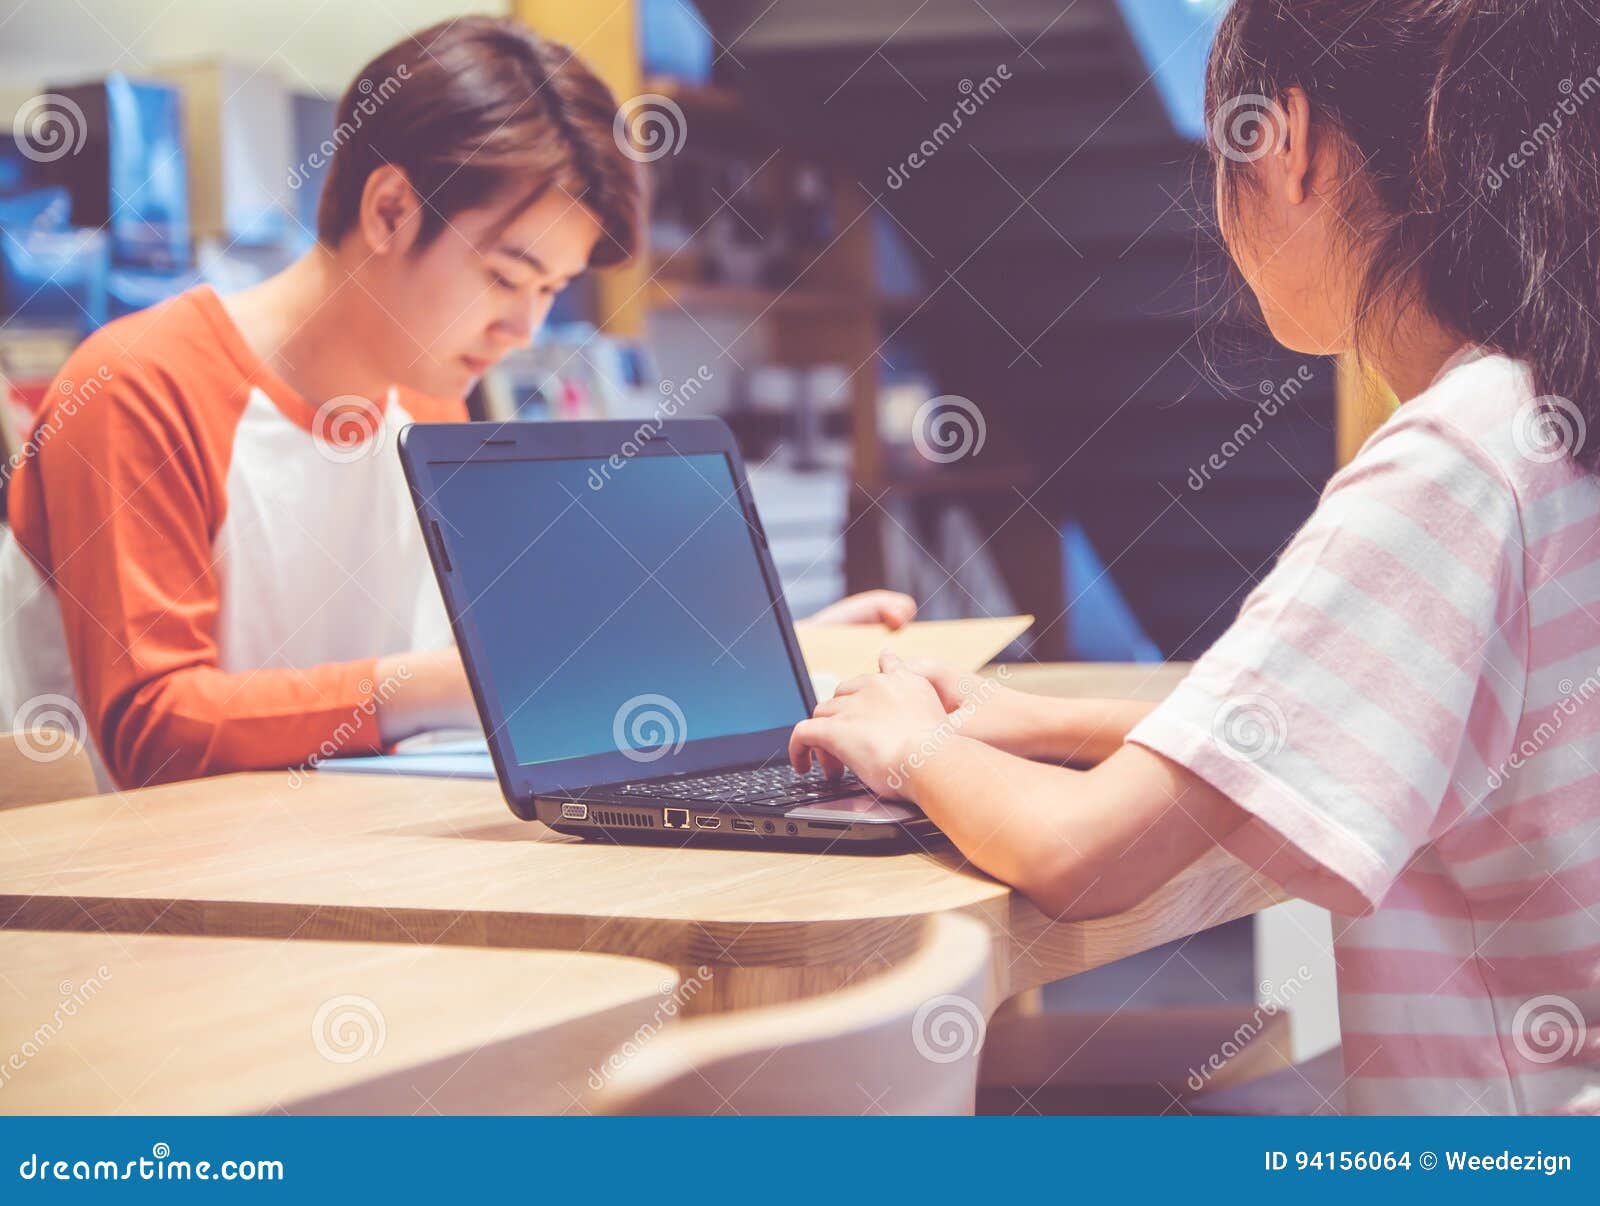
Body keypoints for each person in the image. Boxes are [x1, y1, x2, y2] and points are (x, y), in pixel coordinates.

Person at [790, 0, 1600, 1115]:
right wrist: (1051, 723)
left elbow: (1080, 857)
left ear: (1289, 141)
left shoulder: (1454, 460)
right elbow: (1398, 728)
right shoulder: (1550, 421)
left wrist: (909, 742)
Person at [0, 16, 912, 789]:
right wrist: (462, 683)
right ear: (391, 210)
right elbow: (153, 731)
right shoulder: (135, 385)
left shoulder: (427, 392)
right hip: (160, 915)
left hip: (354, 859)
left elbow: (511, 641)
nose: (523, 326)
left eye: (550, 288)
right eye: (504, 276)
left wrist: (736, 653)